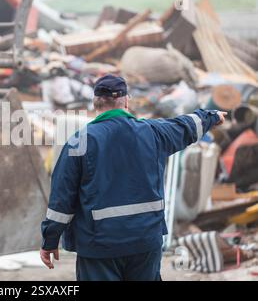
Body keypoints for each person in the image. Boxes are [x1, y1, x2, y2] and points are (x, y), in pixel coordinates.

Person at [39, 75, 227, 281]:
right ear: (126, 101)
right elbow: (186, 126)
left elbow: (61, 201)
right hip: (145, 242)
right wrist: (212, 116)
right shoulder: (153, 132)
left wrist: (50, 239)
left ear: (95, 103)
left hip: (100, 246)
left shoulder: (78, 142)